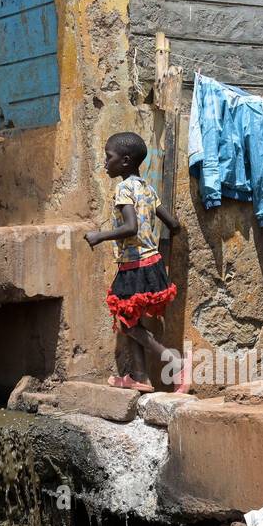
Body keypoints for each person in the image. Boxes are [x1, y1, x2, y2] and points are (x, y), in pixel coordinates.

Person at [84, 131, 189, 392]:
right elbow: (173, 224)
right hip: (152, 264)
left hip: (134, 267)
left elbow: (130, 227)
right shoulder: (147, 188)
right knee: (132, 321)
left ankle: (172, 360)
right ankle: (140, 378)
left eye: (109, 157)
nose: (105, 162)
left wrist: (100, 236)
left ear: (126, 161)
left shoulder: (123, 188)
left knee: (126, 322)